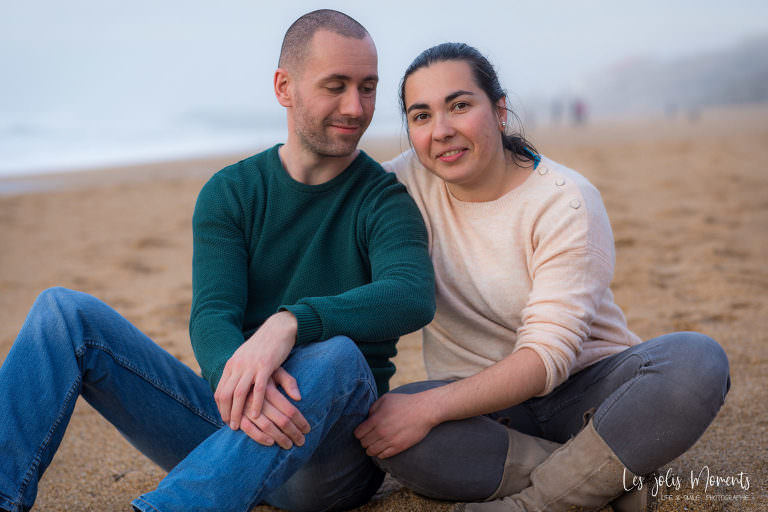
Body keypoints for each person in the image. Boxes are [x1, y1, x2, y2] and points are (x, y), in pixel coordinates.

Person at [0, 10, 435, 512]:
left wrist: (290, 324)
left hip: (327, 458)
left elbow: (410, 294)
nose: (355, 107)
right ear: (284, 87)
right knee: (63, 314)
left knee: (336, 354)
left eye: (368, 87)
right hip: (233, 426)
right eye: (335, 86)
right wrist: (239, 378)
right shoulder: (232, 193)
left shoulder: (383, 200)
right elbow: (213, 316)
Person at [353, 42, 731, 512]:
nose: (442, 131)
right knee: (394, 428)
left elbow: (547, 356)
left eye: (460, 106)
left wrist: (429, 408)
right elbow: (318, 189)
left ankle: (532, 504)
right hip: (486, 412)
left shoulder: (565, 199)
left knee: (696, 362)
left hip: (590, 395)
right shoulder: (401, 186)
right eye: (421, 115)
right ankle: (605, 478)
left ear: (499, 110)